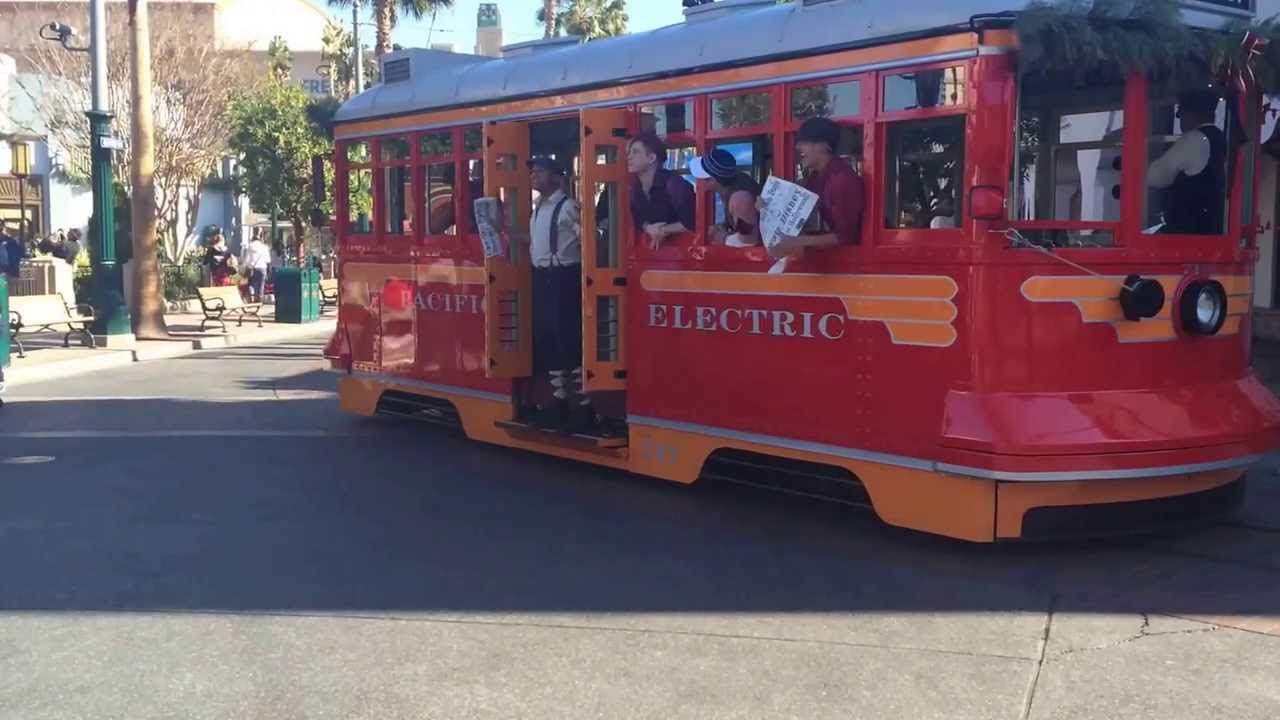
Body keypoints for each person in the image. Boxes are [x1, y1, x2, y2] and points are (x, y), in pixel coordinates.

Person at [523, 156, 592, 432]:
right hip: (542, 278)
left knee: (569, 340)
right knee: (549, 339)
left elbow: (589, 237)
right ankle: (558, 404)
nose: (534, 177)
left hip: (564, 277)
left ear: (555, 176)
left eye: (539, 172)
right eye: (533, 173)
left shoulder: (568, 207)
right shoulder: (538, 208)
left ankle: (583, 408)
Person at [766, 117, 865, 260]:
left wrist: (800, 241)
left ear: (824, 145)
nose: (798, 147)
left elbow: (846, 236)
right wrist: (766, 206)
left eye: (805, 142)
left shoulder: (842, 179)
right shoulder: (815, 178)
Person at [1147, 88, 1226, 235]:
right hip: (1211, 230)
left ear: (1189, 112)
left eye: (1179, 114)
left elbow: (1155, 176)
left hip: (1188, 233)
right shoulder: (1220, 139)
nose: (1180, 119)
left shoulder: (1195, 139)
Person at [627, 131, 696, 249]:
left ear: (652, 158)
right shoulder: (635, 188)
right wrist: (648, 228)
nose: (629, 157)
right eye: (629, 152)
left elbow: (692, 221)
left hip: (683, 253)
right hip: (649, 254)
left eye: (635, 152)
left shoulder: (675, 185)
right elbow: (636, 217)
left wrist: (662, 230)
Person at [689, 147, 762, 247]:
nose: (697, 181)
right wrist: (724, 225)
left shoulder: (739, 200)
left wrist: (723, 238)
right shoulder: (730, 182)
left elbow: (749, 240)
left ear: (712, 180)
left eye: (700, 177)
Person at [241, 230, 271, 302]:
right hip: (263, 268)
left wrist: (243, 267)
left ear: (252, 239)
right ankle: (259, 300)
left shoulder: (250, 246)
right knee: (261, 285)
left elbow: (247, 259)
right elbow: (268, 260)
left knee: (248, 284)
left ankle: (250, 299)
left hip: (253, 268)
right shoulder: (264, 247)